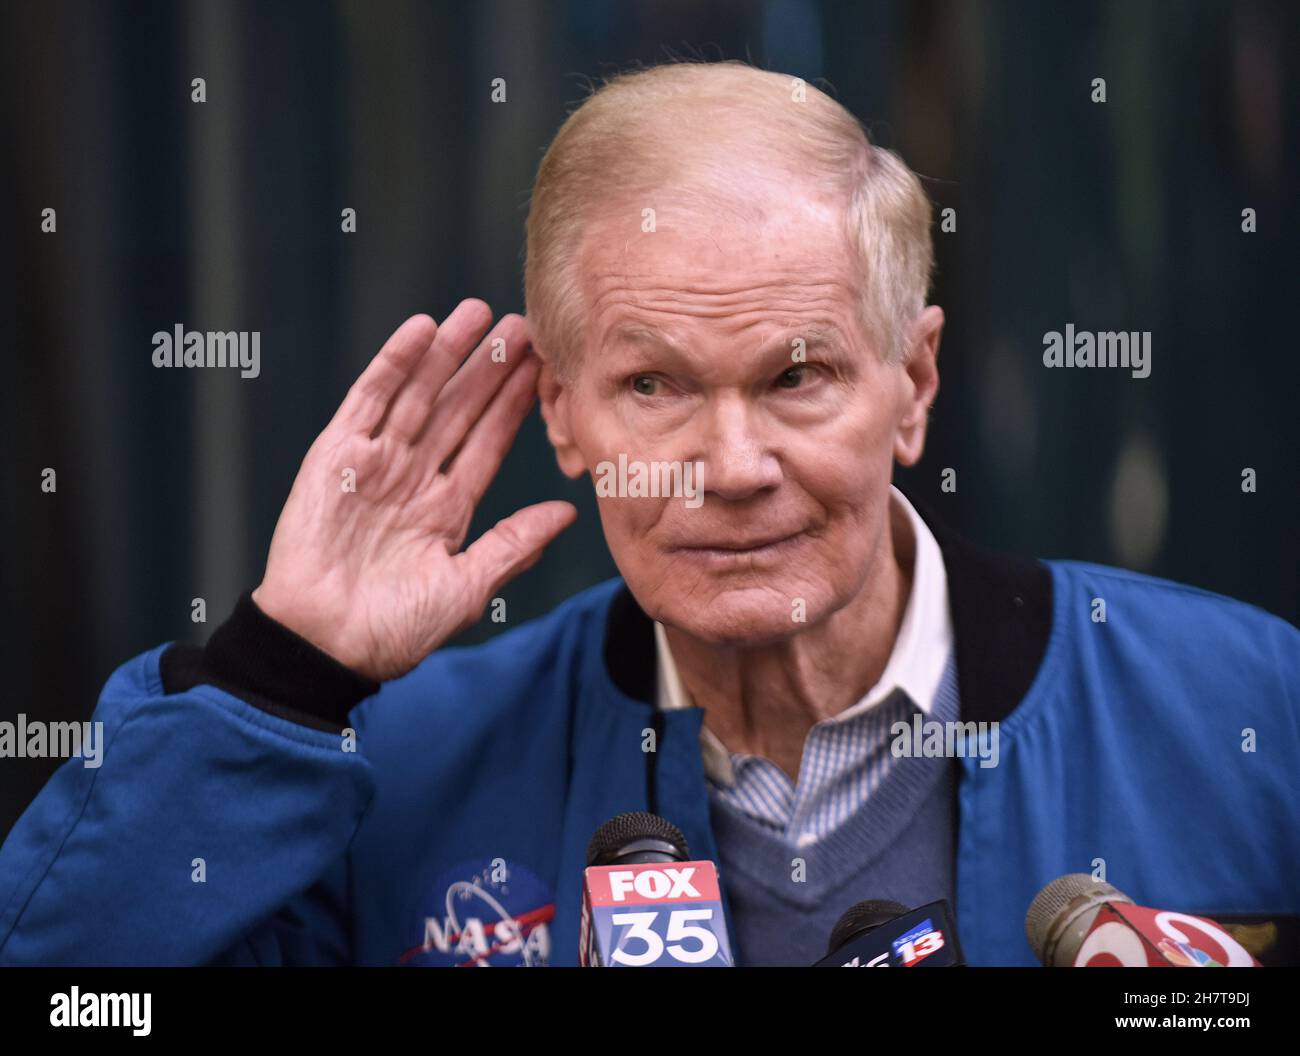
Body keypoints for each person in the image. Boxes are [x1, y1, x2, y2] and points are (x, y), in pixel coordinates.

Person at [2, 61, 1296, 967]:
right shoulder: (394, 770)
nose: (728, 464)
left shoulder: (1245, 708)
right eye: (654, 385)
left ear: (915, 387)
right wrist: (275, 679)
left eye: (798, 376)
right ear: (562, 417)